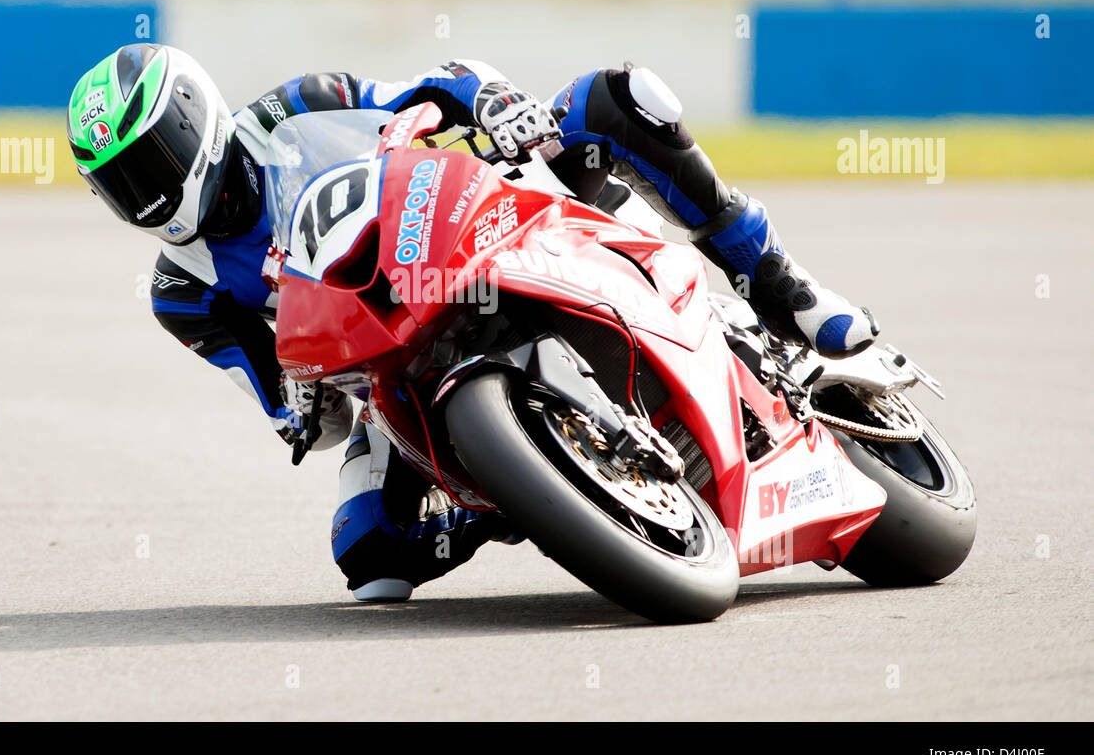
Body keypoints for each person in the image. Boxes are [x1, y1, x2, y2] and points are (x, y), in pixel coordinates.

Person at [66, 44, 880, 601]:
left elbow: (431, 84)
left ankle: (782, 284)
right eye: (119, 183)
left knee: (616, 98)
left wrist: (494, 105)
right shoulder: (184, 294)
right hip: (385, 361)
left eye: (152, 159)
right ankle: (515, 498)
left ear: (191, 119)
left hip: (467, 231)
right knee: (369, 558)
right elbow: (293, 411)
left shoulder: (290, 109)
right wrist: (300, 408)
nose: (145, 192)